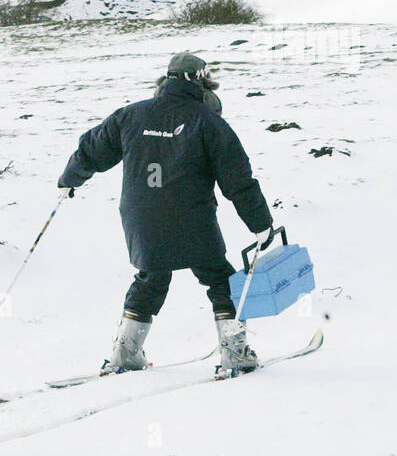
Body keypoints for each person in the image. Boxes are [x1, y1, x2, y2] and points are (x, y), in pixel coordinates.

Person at [57, 52, 275, 376]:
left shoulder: (130, 115)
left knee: (151, 277)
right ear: (201, 80)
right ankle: (235, 353)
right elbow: (237, 179)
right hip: (191, 214)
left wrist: (69, 180)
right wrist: (261, 224)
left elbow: (93, 148)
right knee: (220, 279)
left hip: (140, 213)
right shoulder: (209, 121)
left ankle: (124, 354)